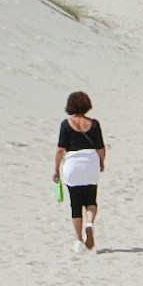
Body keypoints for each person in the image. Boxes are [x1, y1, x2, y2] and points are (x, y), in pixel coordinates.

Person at [51, 90, 108, 250]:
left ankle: (78, 240)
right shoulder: (94, 124)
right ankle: (89, 224)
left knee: (75, 203)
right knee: (90, 199)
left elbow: (60, 150)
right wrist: (101, 162)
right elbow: (101, 148)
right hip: (90, 162)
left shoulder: (65, 124)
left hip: (72, 164)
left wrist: (56, 169)